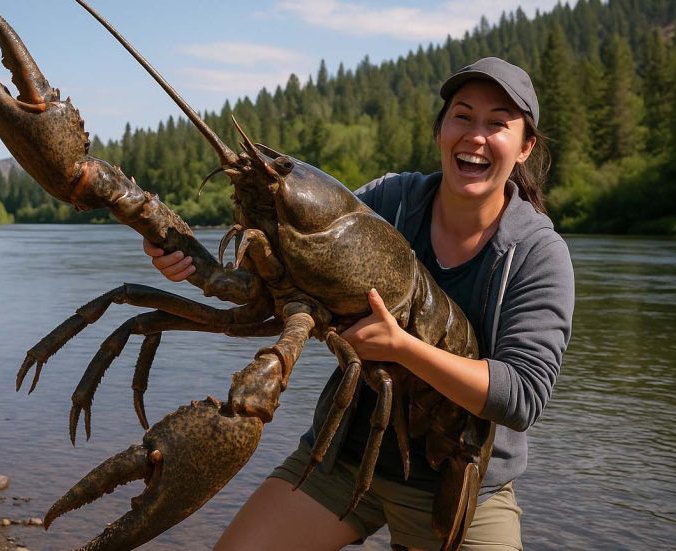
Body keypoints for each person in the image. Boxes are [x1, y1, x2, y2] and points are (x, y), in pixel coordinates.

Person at [144, 57, 575, 551]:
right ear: (440, 130)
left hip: (462, 478)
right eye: (462, 115)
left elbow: (520, 396)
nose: (475, 136)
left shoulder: (538, 254)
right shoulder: (387, 202)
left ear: (525, 147)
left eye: (497, 123)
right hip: (342, 458)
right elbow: (276, 288)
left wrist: (402, 348)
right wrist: (190, 260)